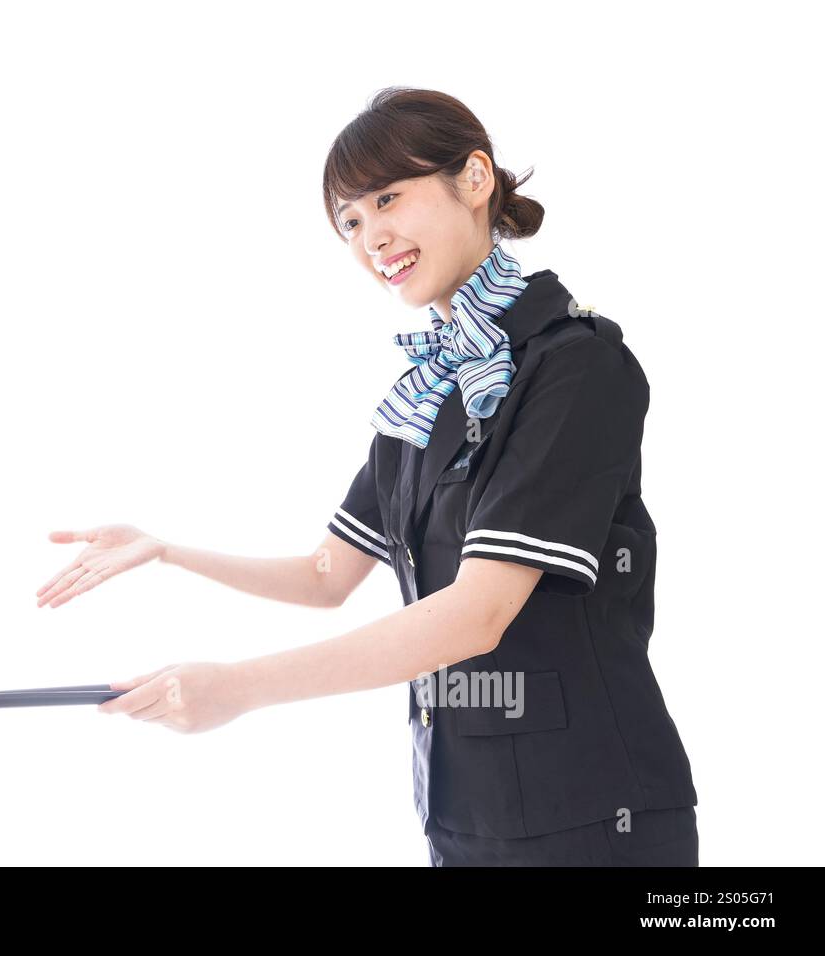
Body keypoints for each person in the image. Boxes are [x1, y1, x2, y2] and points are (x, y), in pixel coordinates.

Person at [34, 87, 698, 866]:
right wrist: (168, 550)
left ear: (475, 179)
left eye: (389, 198)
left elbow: (477, 613)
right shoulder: (427, 393)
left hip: (595, 816)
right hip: (464, 815)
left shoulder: (576, 365)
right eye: (349, 221)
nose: (370, 237)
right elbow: (326, 573)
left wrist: (237, 688)